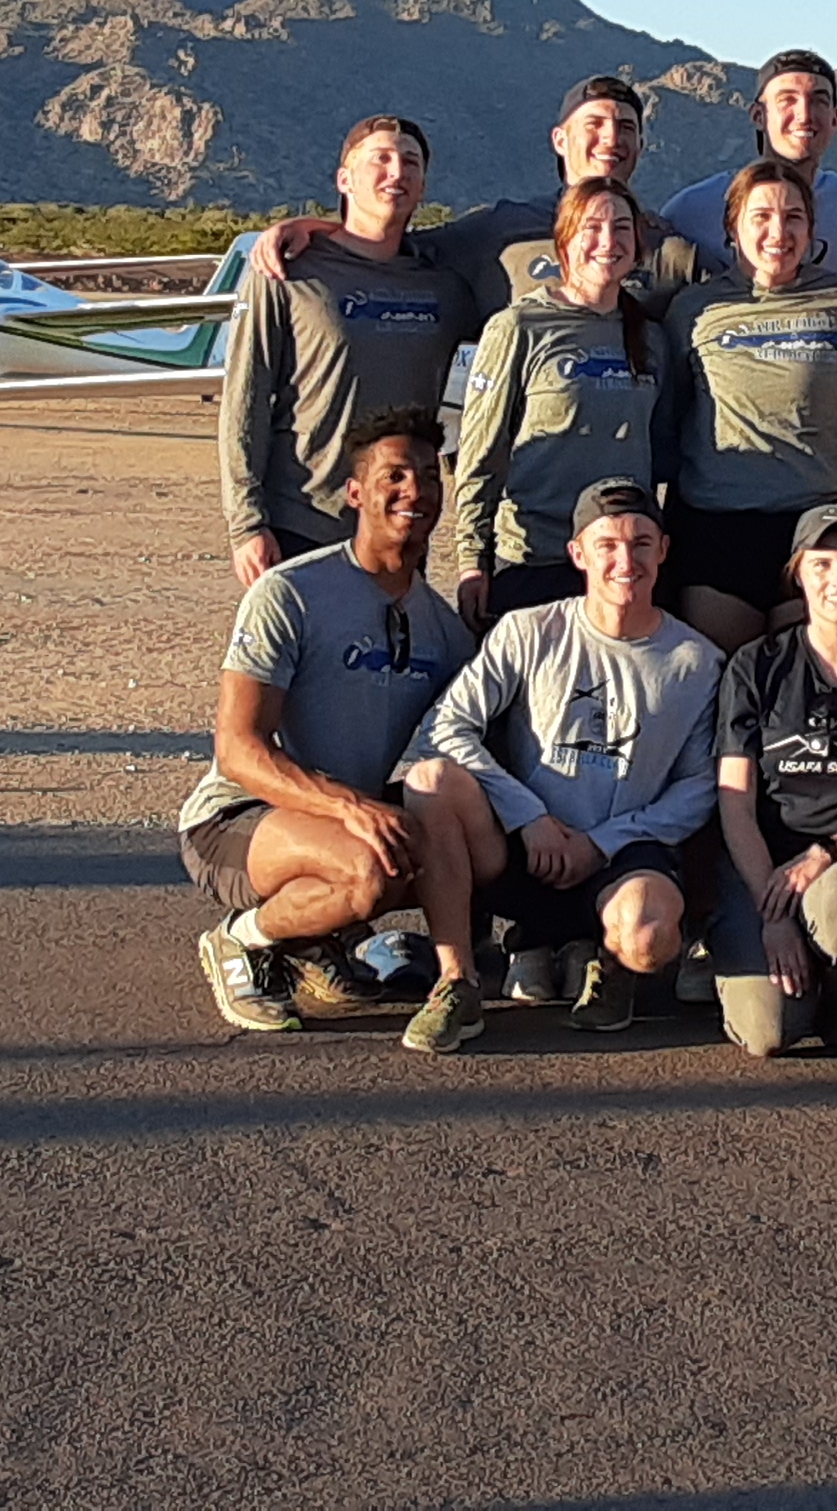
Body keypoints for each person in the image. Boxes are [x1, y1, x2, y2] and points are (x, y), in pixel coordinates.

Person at [398, 480, 724, 1054]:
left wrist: (601, 843)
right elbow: (445, 729)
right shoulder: (529, 630)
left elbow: (701, 786)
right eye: (608, 545)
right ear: (578, 553)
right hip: (526, 847)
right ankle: (457, 983)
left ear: (664, 550)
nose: (627, 561)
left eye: (643, 543)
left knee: (647, 938)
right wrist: (527, 816)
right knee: (429, 781)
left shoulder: (696, 661)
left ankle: (609, 962)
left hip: (620, 854)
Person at [180, 409, 476, 1032]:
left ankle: (319, 938)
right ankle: (244, 939)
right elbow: (238, 750)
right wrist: (347, 808)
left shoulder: (445, 629)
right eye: (394, 476)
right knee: (367, 870)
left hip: (346, 817)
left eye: (428, 476)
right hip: (238, 818)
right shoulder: (291, 593)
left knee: (466, 843)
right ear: (356, 492)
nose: (414, 491)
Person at [218, 114, 473, 589]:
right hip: (304, 518)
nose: (396, 171)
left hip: (399, 521)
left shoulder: (445, 287)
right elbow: (244, 399)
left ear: (421, 187)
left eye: (410, 162)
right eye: (380, 158)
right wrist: (247, 523)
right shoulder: (287, 272)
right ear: (344, 179)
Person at [657, 159, 837, 650]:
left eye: (793, 218)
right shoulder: (694, 309)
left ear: (811, 229)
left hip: (818, 521)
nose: (777, 231)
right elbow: (673, 413)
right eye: (761, 216)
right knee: (724, 685)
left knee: (807, 687)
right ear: (732, 226)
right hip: (719, 524)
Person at [710, 504, 837, 1057]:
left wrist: (827, 850)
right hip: (765, 870)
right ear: (797, 573)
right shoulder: (756, 665)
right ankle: (769, 966)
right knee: (769, 1034)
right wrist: (771, 909)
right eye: (822, 564)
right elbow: (736, 803)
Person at [251, 75, 705, 324]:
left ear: (642, 146)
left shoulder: (666, 246)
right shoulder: (499, 229)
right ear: (560, 140)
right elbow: (392, 244)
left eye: (627, 127)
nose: (611, 137)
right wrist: (316, 228)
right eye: (595, 125)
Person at [451, 178, 667, 628]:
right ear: (565, 239)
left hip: (620, 562)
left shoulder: (650, 339)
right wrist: (472, 557)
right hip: (535, 557)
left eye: (622, 228)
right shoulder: (519, 327)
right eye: (593, 226)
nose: (608, 241)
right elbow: (480, 453)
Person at [661, 51, 837, 284]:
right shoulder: (694, 206)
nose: (804, 115)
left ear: (835, 119)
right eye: (787, 100)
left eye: (818, 101)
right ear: (758, 115)